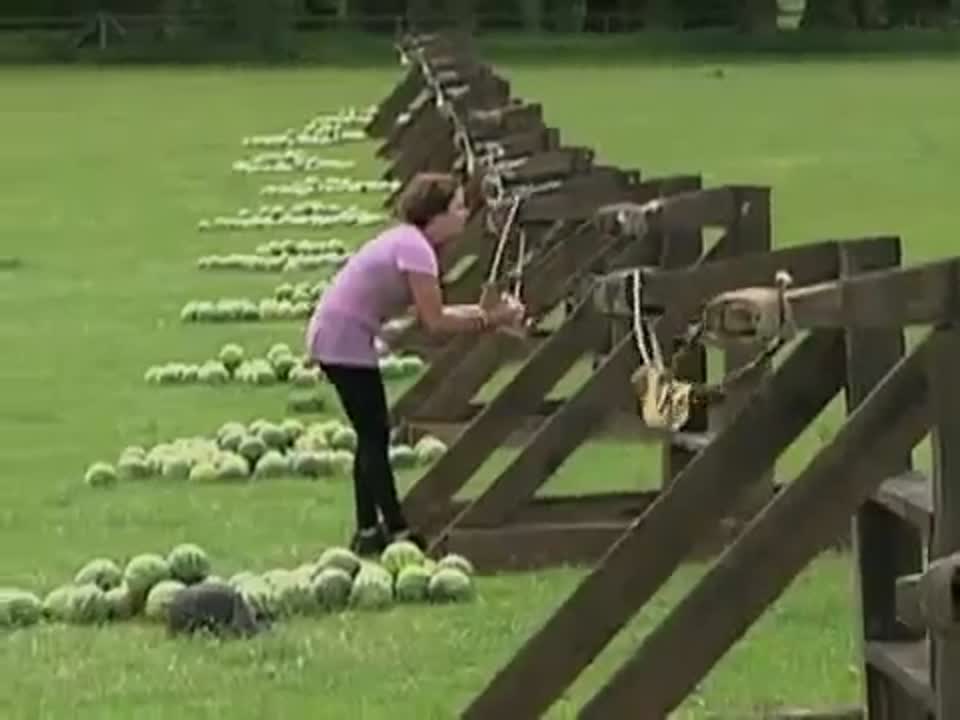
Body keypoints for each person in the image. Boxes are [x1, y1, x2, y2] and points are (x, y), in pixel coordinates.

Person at [305, 172, 525, 556]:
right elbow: (435, 321)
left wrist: (486, 313)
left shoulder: (408, 242)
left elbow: (433, 313)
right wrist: (494, 318)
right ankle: (397, 530)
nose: (464, 214)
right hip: (344, 340)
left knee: (369, 435)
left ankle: (369, 531)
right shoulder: (417, 250)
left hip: (338, 336)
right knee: (375, 435)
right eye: (457, 207)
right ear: (435, 215)